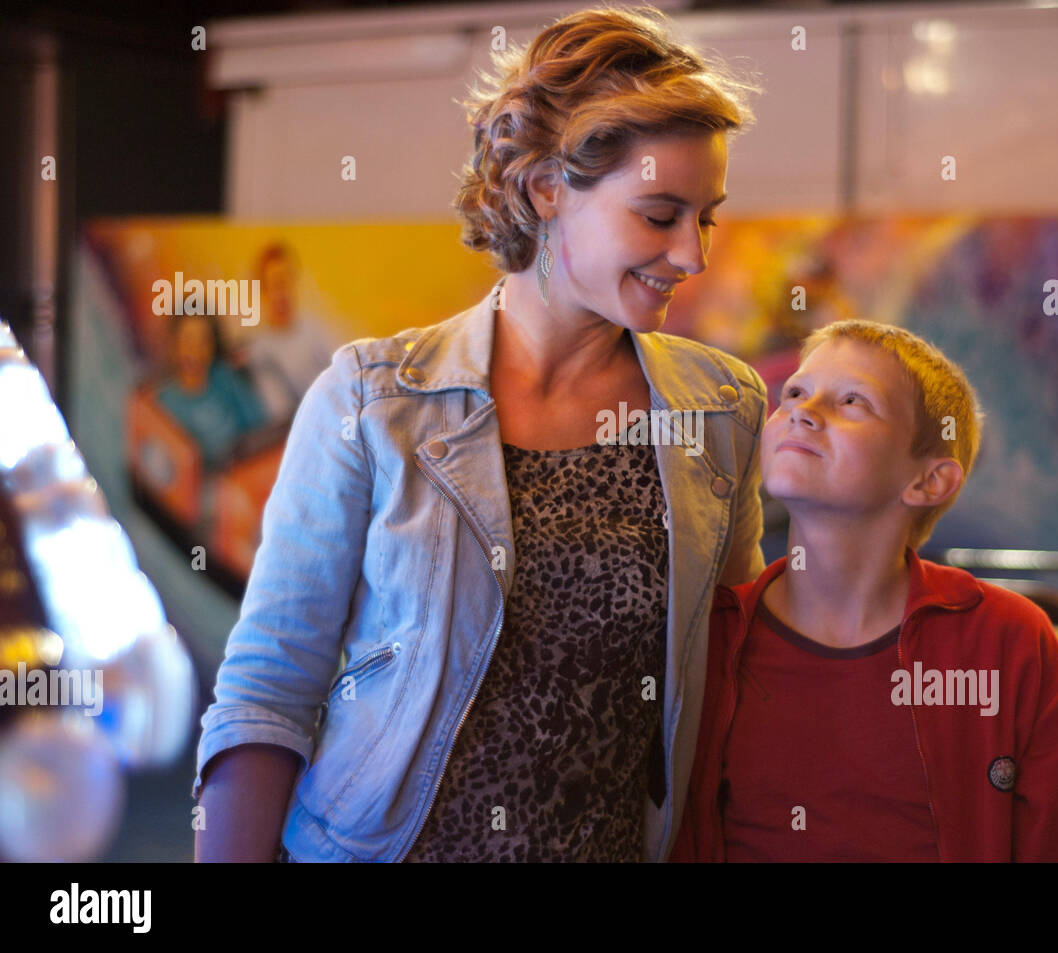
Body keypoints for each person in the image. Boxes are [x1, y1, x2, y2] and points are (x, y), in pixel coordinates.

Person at [193, 6, 766, 863]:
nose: (693, 254)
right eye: (659, 214)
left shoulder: (720, 410)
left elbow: (731, 687)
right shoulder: (375, 396)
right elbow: (270, 686)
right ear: (545, 190)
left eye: (706, 217)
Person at [670, 319, 1058, 862]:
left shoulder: (1007, 641)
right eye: (796, 393)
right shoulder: (706, 639)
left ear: (929, 481)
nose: (805, 411)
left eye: (853, 402)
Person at [239, 243, 340, 425]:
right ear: (264, 291)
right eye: (275, 284)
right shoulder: (260, 351)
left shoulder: (314, 328)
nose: (282, 293)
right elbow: (279, 411)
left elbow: (343, 375)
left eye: (286, 281)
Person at [155, 313, 267, 468]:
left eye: (204, 341)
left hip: (247, 468)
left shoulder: (224, 378)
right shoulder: (165, 404)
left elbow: (259, 424)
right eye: (188, 340)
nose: (196, 350)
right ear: (175, 345)